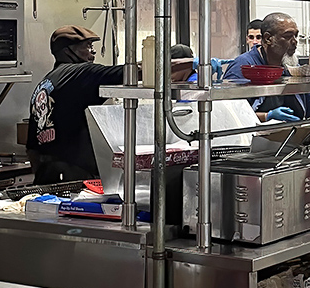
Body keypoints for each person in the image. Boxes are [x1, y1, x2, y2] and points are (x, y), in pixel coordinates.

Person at [27, 26, 194, 183]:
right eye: (87, 47)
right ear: (68, 51)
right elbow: (134, 71)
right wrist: (194, 64)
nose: (92, 53)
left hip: (48, 178)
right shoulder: (80, 73)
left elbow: (32, 148)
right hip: (75, 178)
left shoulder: (44, 84)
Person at [223, 12, 310, 122]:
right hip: (256, 137)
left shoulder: (291, 67)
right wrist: (267, 116)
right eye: (287, 36)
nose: (295, 42)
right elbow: (230, 114)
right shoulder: (243, 66)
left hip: (293, 134)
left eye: (295, 36)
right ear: (268, 38)